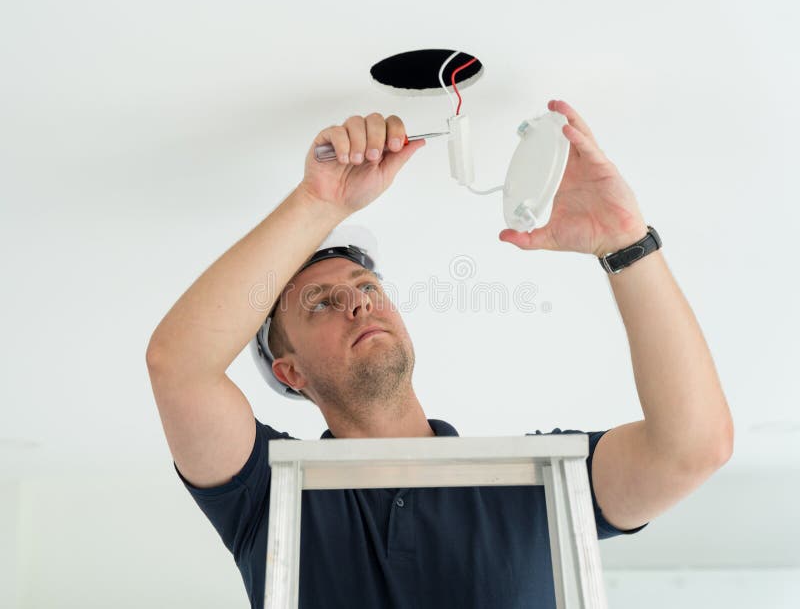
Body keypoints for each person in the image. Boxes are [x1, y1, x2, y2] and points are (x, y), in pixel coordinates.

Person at [145, 102, 734, 608]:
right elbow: (180, 367)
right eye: (322, 304)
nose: (358, 303)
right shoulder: (271, 499)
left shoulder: (529, 483)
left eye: (368, 287)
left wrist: (626, 242)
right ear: (290, 371)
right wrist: (320, 203)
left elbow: (692, 447)